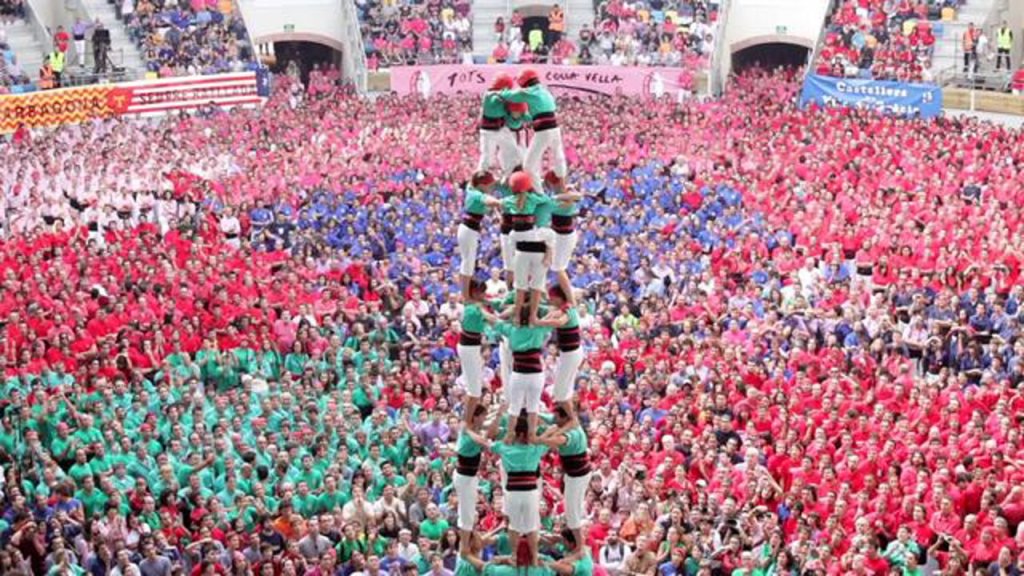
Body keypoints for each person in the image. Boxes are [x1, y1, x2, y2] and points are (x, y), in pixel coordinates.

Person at [465, 411, 547, 567]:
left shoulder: (504, 447)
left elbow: (485, 441)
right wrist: (539, 426)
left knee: (514, 526)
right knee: (531, 526)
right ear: (524, 434)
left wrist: (468, 431)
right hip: (529, 492)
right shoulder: (536, 448)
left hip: (514, 492)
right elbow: (551, 432)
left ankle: (514, 555)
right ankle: (534, 557)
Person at [500, 69, 567, 192]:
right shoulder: (545, 91)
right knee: (558, 156)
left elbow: (511, 96)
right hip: (555, 129)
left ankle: (539, 193)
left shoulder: (529, 92)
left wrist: (501, 91)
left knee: (529, 166)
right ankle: (563, 185)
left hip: (543, 131)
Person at [535, 404, 590, 549]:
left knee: (572, 514)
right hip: (573, 475)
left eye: (557, 417)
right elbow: (550, 419)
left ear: (565, 418)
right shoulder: (568, 423)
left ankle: (579, 546)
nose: (554, 419)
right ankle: (568, 538)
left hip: (577, 477)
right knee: (571, 510)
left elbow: (557, 441)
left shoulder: (571, 434)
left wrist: (540, 438)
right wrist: (535, 413)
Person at [457, 279, 500, 417]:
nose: (484, 295)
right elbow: (492, 319)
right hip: (468, 348)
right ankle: (468, 417)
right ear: (475, 293)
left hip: (473, 346)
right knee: (474, 390)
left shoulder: (475, 304)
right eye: (482, 292)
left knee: (475, 387)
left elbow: (490, 304)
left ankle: (472, 414)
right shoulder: (474, 308)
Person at [458, 173, 502, 298]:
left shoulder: (471, 188)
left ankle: (467, 292)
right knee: (468, 264)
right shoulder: (476, 194)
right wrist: (504, 202)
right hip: (468, 230)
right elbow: (491, 201)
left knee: (468, 264)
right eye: (490, 185)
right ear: (482, 185)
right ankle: (465, 295)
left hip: (469, 229)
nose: (492, 187)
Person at [479, 74, 518, 175]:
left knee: (512, 152)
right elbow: (495, 100)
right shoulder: (489, 95)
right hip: (489, 131)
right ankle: (480, 179)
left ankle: (509, 175)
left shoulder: (504, 96)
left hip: (502, 128)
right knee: (487, 158)